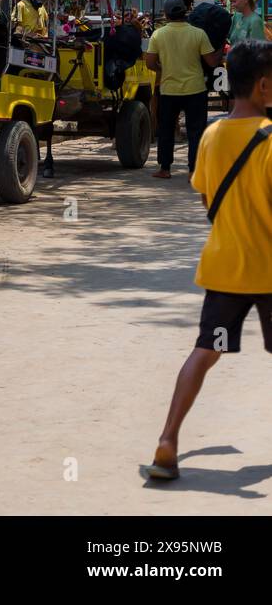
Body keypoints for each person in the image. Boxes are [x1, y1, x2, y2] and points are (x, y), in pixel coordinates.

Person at [146, 40, 272, 480]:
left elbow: (206, 197)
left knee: (206, 349)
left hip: (225, 269)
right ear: (262, 85)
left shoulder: (212, 135)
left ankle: (167, 440)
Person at [145, 0, 222, 179]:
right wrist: (219, 50)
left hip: (169, 89)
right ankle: (193, 170)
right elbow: (211, 62)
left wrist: (162, 70)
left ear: (165, 14)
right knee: (196, 131)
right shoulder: (198, 33)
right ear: (185, 10)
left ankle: (165, 168)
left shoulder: (158, 34)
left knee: (166, 129)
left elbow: (149, 63)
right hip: (195, 89)